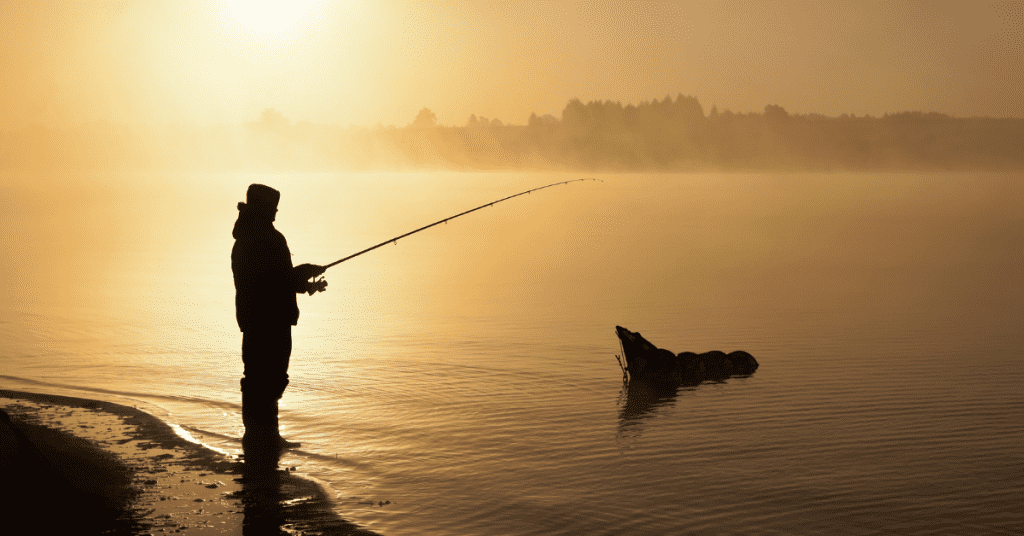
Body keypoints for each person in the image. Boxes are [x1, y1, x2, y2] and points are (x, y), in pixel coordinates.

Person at [231, 184, 327, 450]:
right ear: (263, 209)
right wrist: (303, 273)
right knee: (270, 378)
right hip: (270, 320)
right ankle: (263, 437)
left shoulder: (246, 238)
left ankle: (260, 436)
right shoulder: (267, 239)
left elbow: (273, 280)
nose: (276, 213)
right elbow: (276, 281)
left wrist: (306, 284)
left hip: (255, 317)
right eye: (273, 208)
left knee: (259, 377)